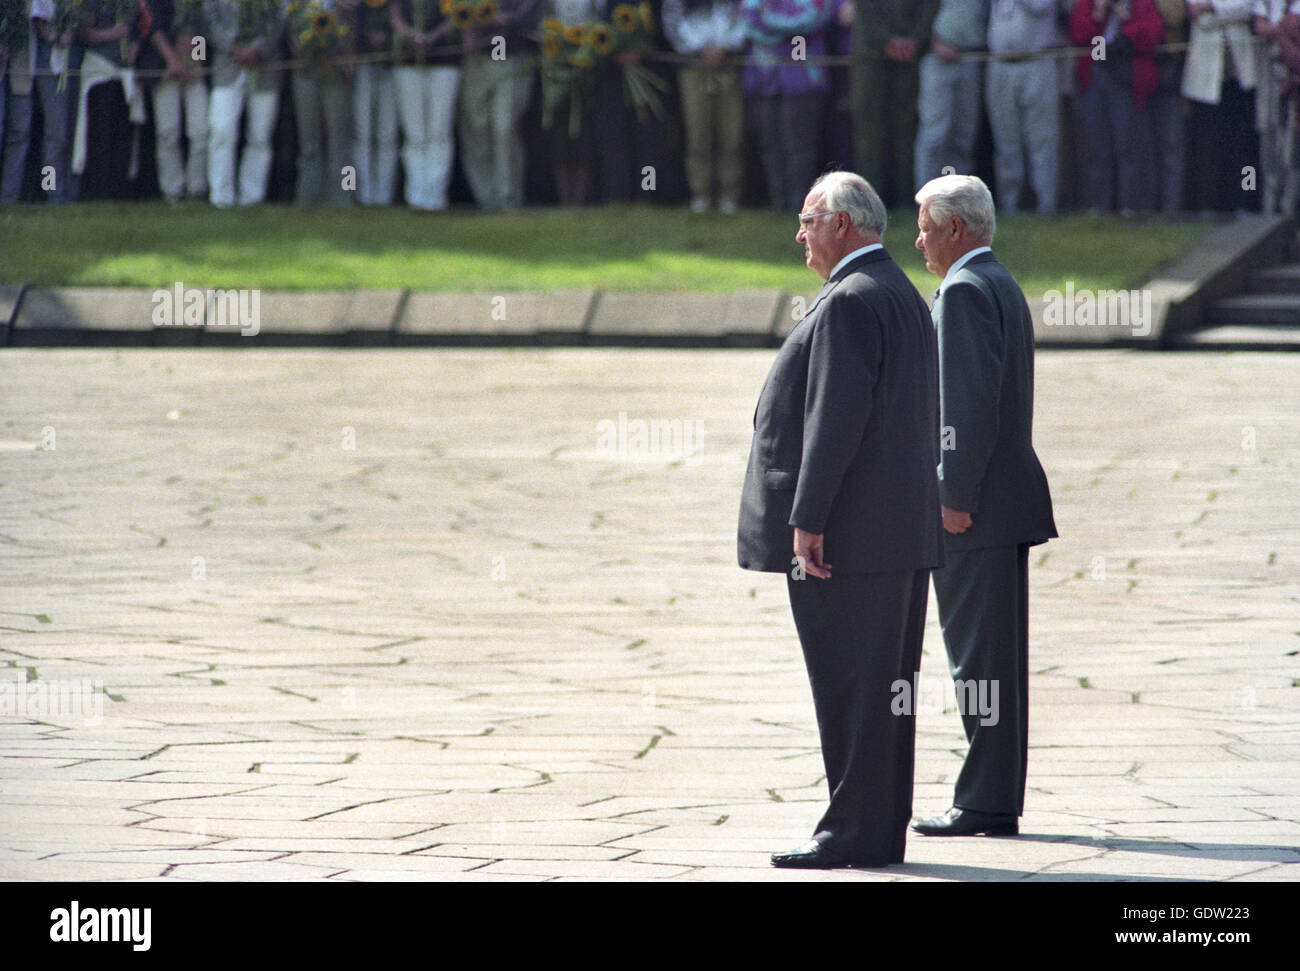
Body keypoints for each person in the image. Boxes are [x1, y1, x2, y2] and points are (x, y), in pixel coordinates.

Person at [739, 171, 943, 869]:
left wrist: (808, 518)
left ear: (845, 225)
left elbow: (836, 421)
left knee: (853, 686)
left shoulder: (852, 300)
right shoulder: (898, 292)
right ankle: (877, 825)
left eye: (809, 220)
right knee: (885, 690)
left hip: (851, 537)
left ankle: (850, 829)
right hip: (894, 533)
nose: (799, 234)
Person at [911, 174, 1056, 838]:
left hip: (978, 505)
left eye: (924, 226)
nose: (917, 241)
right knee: (994, 658)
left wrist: (952, 496)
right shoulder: (995, 279)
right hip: (1003, 500)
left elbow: (965, 409)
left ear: (956, 230)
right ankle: (992, 796)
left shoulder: (966, 290)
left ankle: (984, 801)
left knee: (978, 661)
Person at [1068, 0, 1164, 215]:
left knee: (1128, 145)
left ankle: (1130, 206)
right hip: (1095, 77)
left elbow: (1152, 34)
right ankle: (1100, 206)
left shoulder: (1140, 4)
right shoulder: (1089, 4)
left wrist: (1126, 20)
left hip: (1126, 77)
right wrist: (1098, 13)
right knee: (1097, 147)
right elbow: (1079, 34)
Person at [850, 0, 938, 207]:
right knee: (870, 133)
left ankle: (906, 199)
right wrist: (886, 41)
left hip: (911, 56)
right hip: (870, 55)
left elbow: (929, 7)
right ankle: (870, 204)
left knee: (907, 130)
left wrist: (916, 39)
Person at [662, 0, 747, 213]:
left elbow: (745, 15)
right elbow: (672, 21)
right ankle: (700, 194)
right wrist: (701, 50)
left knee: (731, 133)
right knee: (698, 132)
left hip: (728, 65)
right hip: (694, 67)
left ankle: (729, 195)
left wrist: (725, 48)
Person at [457, 0, 541, 210]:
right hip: (478, 58)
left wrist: (505, 18)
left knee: (503, 127)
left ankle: (508, 197)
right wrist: (468, 32)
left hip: (512, 57)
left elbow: (529, 11)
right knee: (476, 127)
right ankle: (486, 198)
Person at [206, 0, 285, 208]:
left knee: (260, 135)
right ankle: (221, 198)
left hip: (265, 68)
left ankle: (252, 197)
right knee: (221, 131)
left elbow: (280, 18)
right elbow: (208, 18)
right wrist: (232, 46)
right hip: (226, 67)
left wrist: (258, 48)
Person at [985, 0, 1061, 213]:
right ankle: (1010, 204)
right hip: (1000, 63)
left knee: (1042, 139)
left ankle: (1046, 205)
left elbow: (1038, 6)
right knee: (1005, 139)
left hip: (1036, 61)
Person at [913, 0, 988, 191]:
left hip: (971, 56)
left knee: (964, 133)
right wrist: (931, 40)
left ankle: (957, 197)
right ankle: (925, 197)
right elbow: (915, 11)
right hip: (936, 57)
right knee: (935, 134)